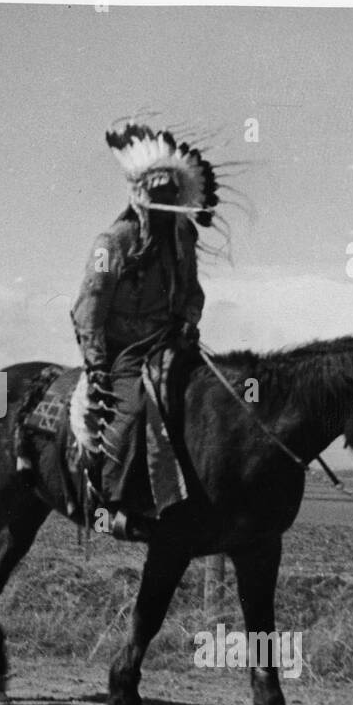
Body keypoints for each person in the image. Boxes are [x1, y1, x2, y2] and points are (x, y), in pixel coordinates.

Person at [70, 122, 218, 538]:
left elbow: (193, 291)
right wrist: (98, 366)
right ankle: (116, 506)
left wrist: (188, 321)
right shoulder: (110, 244)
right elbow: (89, 308)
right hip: (122, 351)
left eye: (171, 194)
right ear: (138, 196)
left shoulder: (183, 236)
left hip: (170, 343)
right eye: (156, 195)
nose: (164, 203)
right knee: (134, 406)